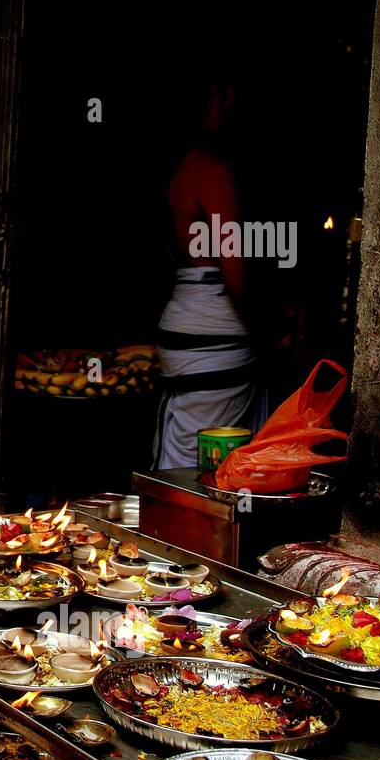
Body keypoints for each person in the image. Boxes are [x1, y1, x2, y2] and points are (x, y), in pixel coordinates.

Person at [152, 78, 268, 469]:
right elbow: (236, 274)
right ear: (223, 95)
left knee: (186, 462)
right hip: (212, 339)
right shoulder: (213, 171)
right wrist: (272, 333)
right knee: (202, 474)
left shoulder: (183, 165)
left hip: (192, 328)